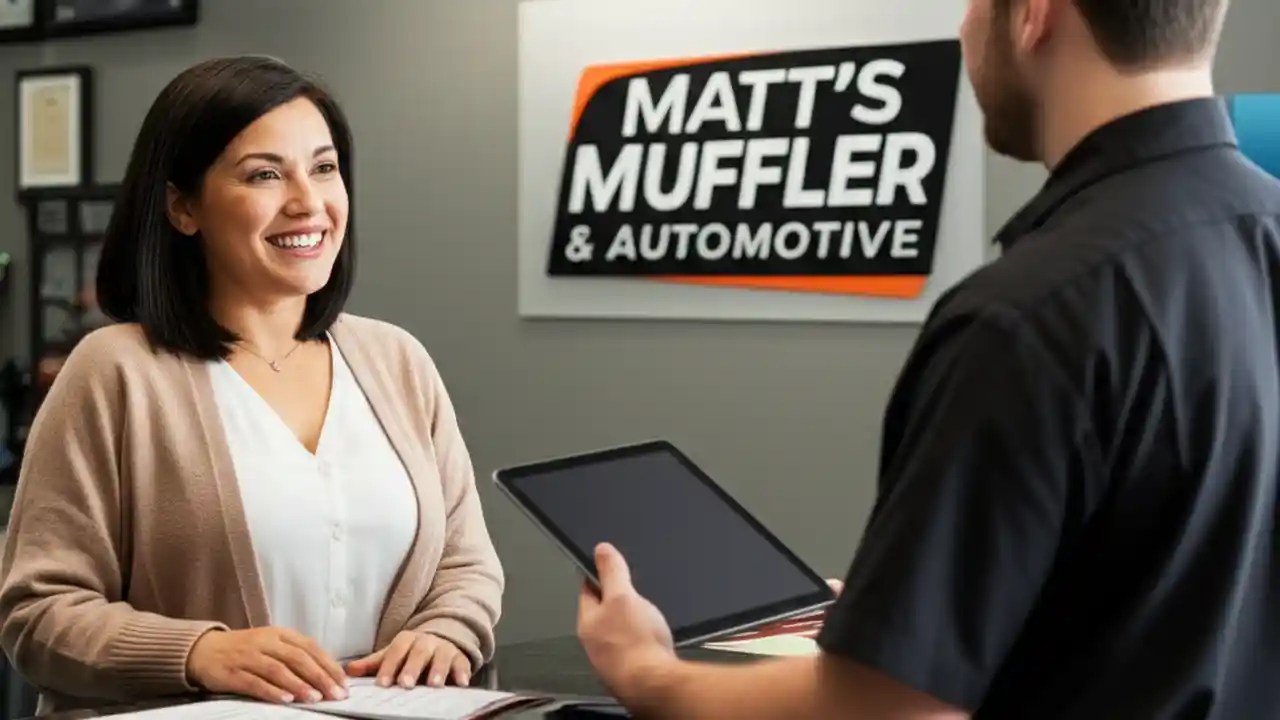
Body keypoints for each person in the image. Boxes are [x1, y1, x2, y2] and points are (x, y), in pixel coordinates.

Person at [577, 0, 1280, 717]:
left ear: (1034, 14)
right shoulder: (1262, 233)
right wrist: (916, 612)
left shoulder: (1029, 314)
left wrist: (646, 673)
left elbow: (889, 710)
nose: (963, 28)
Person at [0, 56, 504, 713]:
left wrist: (447, 630)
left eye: (324, 168)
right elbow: (37, 615)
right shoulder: (115, 371)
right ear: (183, 207)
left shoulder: (396, 360)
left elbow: (467, 567)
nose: (308, 202)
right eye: (265, 174)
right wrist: (197, 653)